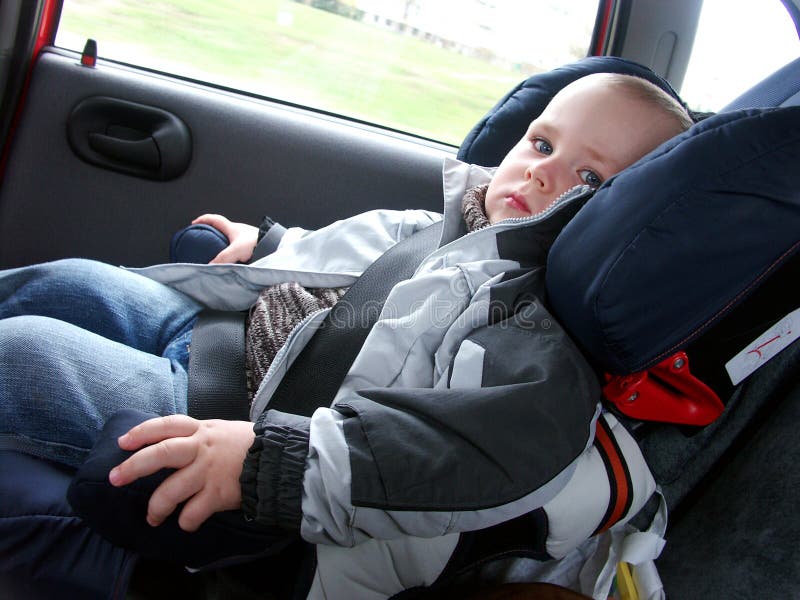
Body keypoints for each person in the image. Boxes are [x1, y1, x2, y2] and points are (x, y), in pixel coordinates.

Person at [0, 72, 692, 596]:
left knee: (28, 354)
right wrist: (263, 244)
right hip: (225, 329)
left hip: (239, 419)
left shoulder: (534, 328)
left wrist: (271, 466)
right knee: (71, 283)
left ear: (623, 233)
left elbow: (453, 449)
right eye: (542, 142)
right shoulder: (446, 223)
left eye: (589, 178)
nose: (542, 169)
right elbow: (331, 256)